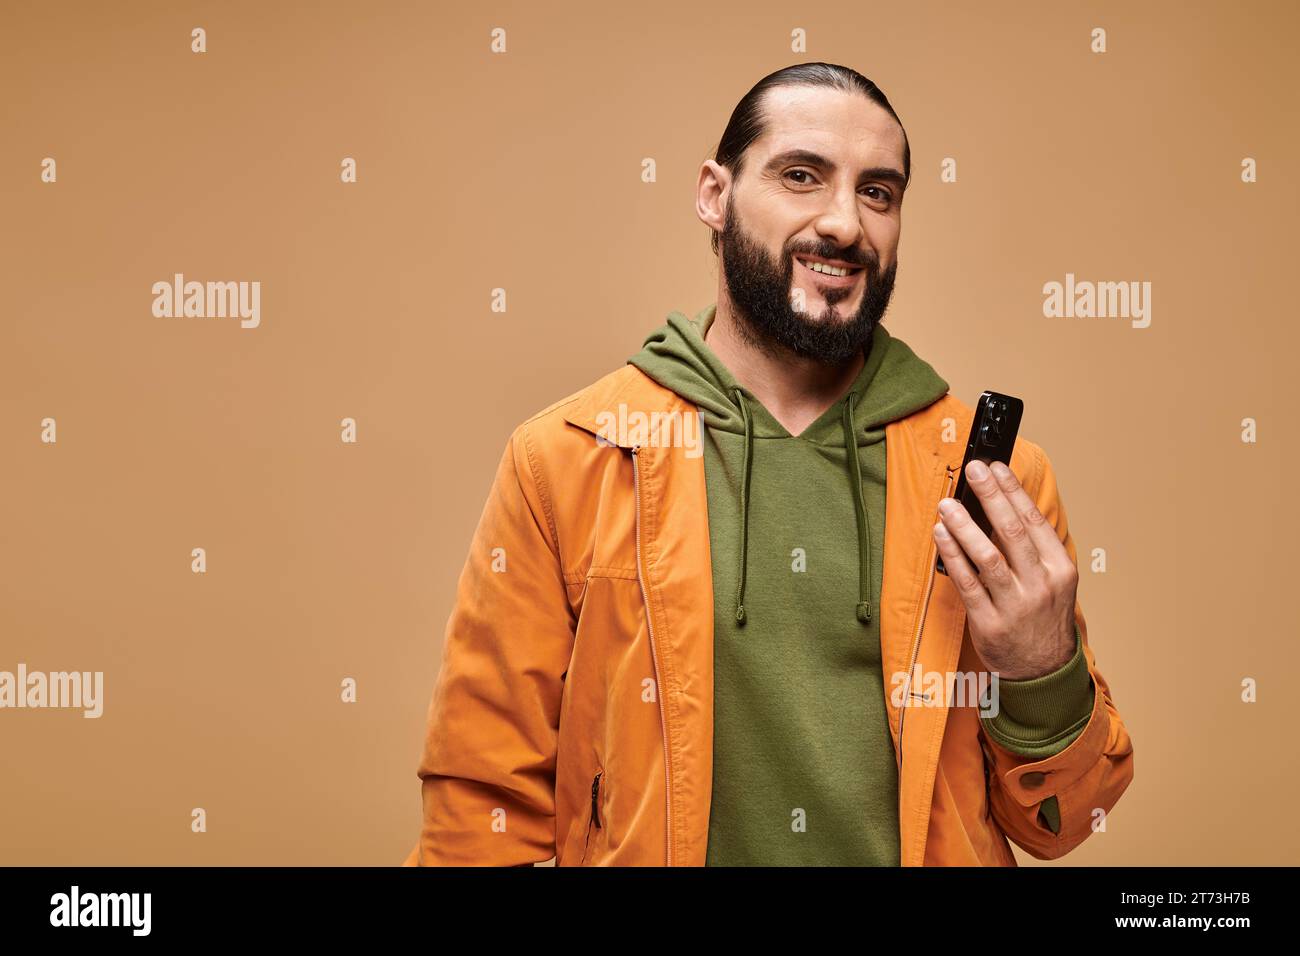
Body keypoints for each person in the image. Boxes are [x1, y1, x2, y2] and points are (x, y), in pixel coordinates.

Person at [402, 62, 1134, 866]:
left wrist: (1042, 670)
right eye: (801, 176)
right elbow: (480, 805)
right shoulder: (568, 457)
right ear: (714, 196)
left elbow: (1063, 822)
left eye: (878, 193)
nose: (846, 225)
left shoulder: (995, 480)